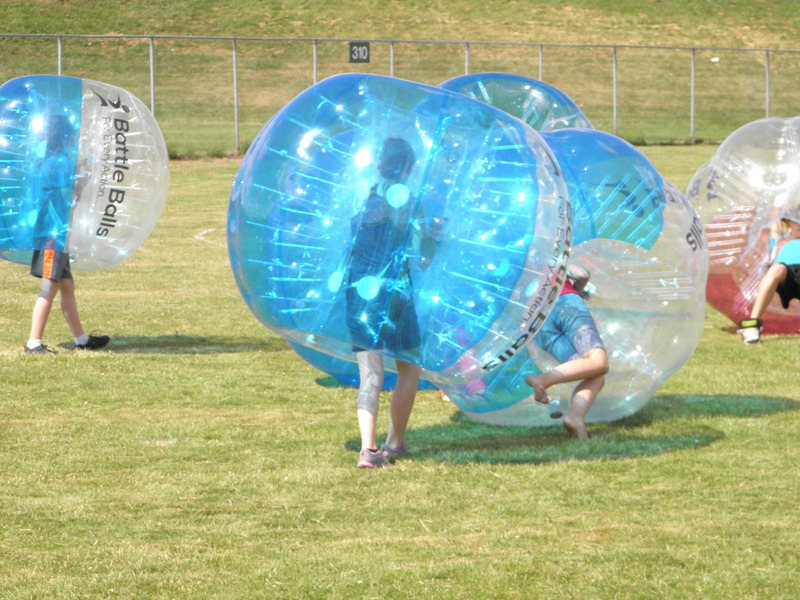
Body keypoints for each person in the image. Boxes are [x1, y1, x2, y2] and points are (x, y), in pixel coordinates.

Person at [345, 137, 438, 468]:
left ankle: (367, 450)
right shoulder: (411, 202)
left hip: (358, 290)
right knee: (408, 367)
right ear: (409, 168)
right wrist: (436, 238)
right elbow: (422, 259)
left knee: (370, 373)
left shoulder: (361, 194)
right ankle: (394, 443)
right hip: (395, 294)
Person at [23, 115, 109, 355]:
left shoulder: (51, 159)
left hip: (57, 231)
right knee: (48, 287)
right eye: (71, 137)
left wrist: (80, 174)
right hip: (53, 233)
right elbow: (68, 191)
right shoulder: (57, 161)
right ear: (64, 138)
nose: (74, 141)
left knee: (67, 285)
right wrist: (83, 175)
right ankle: (33, 343)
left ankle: (81, 338)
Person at [525, 264, 609, 440]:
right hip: (565, 301)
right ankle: (543, 380)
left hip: (536, 323)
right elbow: (582, 273)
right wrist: (578, 287)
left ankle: (575, 417)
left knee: (592, 372)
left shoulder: (506, 263)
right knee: (598, 362)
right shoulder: (550, 252)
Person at [738, 216, 800, 344]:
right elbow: (775, 219)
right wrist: (776, 201)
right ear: (789, 227)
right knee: (776, 268)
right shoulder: (781, 241)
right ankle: (752, 325)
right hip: (787, 274)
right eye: (797, 220)